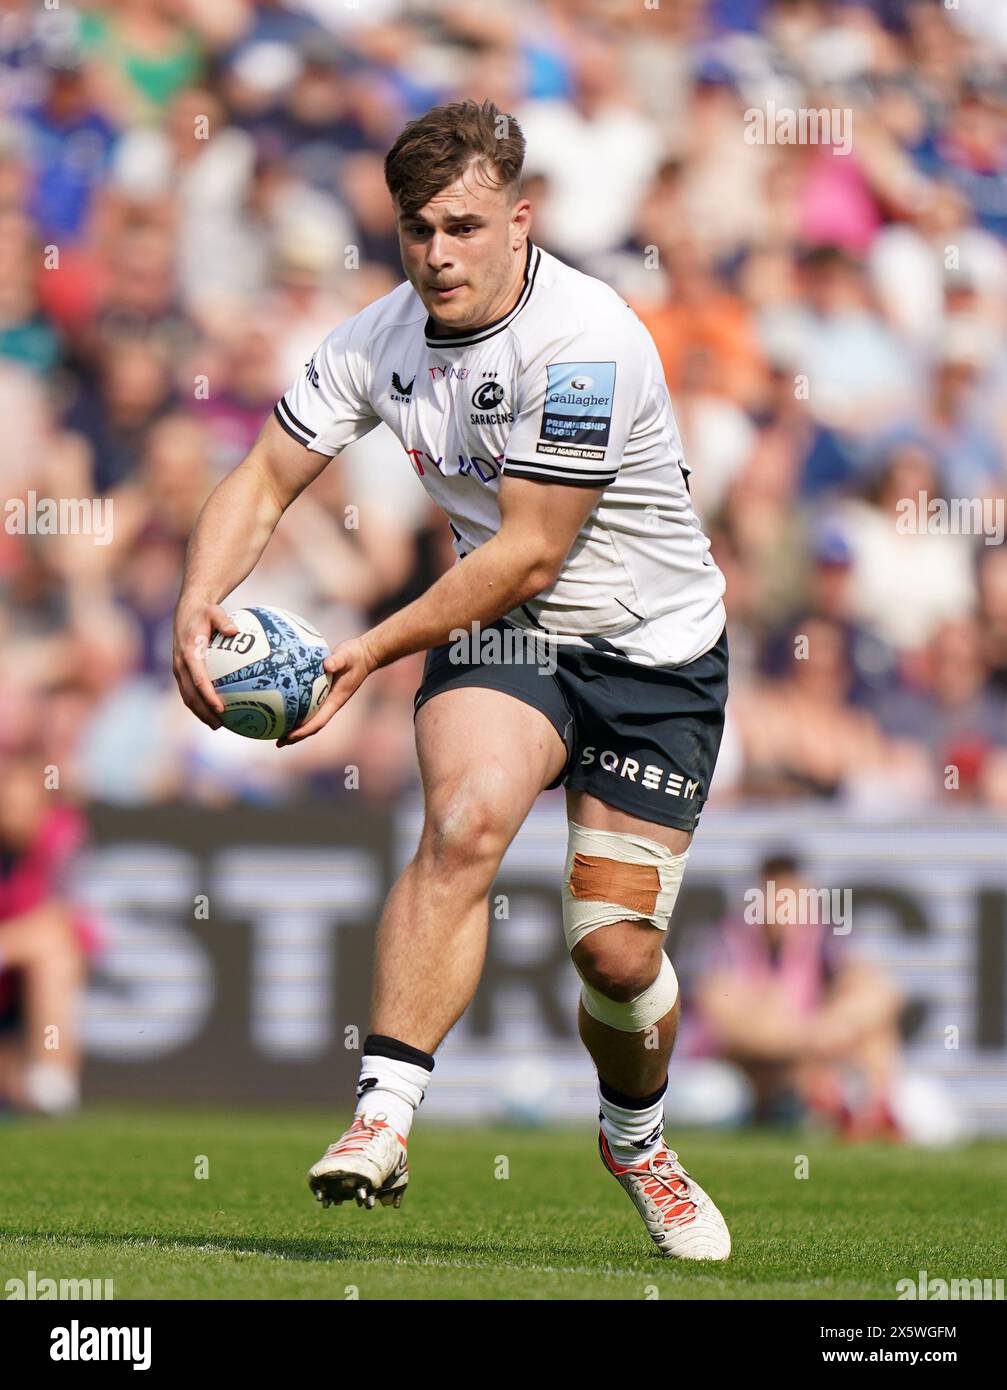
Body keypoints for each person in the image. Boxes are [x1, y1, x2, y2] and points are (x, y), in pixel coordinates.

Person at [173, 99, 731, 1260]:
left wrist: (365, 652)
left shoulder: (587, 338)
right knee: (466, 818)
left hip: (651, 651)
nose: (436, 253)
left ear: (519, 219)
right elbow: (264, 481)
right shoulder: (372, 338)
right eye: (415, 228)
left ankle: (635, 1138)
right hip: (509, 632)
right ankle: (380, 1116)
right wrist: (194, 601)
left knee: (614, 953)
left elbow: (533, 544)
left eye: (464, 227)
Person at [694, 853, 904, 1139]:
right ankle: (826, 1107)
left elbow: (880, 993)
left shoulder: (825, 938)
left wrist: (832, 1027)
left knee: (875, 1032)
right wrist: (804, 1040)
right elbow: (724, 1019)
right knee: (766, 1009)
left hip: (807, 1055)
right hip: (751, 1070)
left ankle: (871, 1112)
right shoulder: (731, 937)